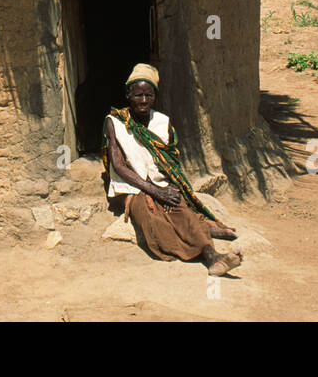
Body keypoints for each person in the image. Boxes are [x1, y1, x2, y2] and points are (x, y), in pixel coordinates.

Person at [102, 63, 244, 276]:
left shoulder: (162, 122)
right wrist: (154, 191)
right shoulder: (115, 121)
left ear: (155, 96)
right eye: (138, 95)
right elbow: (119, 165)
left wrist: (166, 188)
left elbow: (170, 162)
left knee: (182, 212)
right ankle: (207, 239)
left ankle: (212, 256)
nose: (143, 100)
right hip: (133, 188)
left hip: (161, 183)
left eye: (148, 95)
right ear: (128, 94)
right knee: (154, 223)